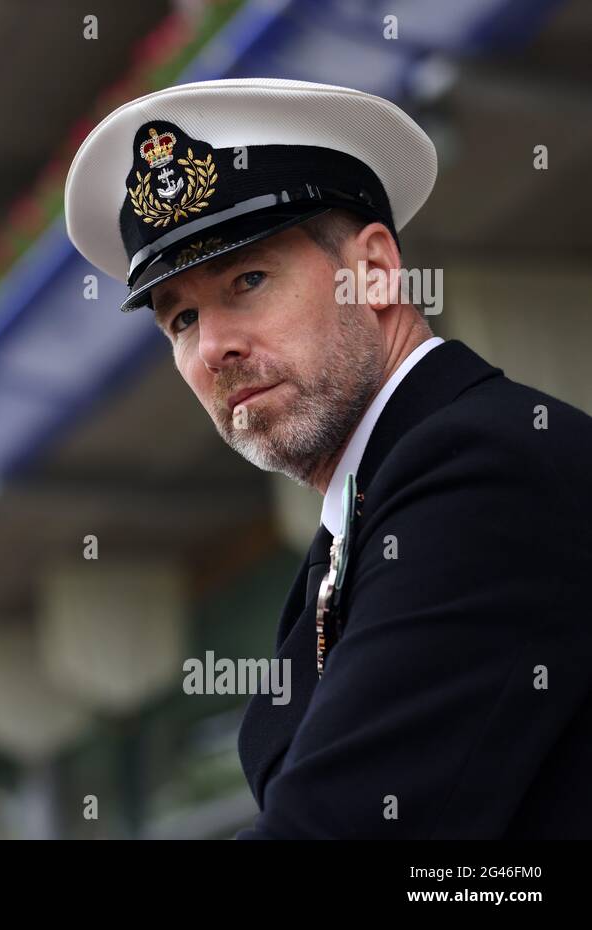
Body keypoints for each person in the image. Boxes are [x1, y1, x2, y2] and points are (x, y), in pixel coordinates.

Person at [64, 78, 592, 838]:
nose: (212, 348)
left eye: (247, 279)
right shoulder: (356, 528)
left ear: (375, 268)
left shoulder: (481, 470)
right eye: (180, 318)